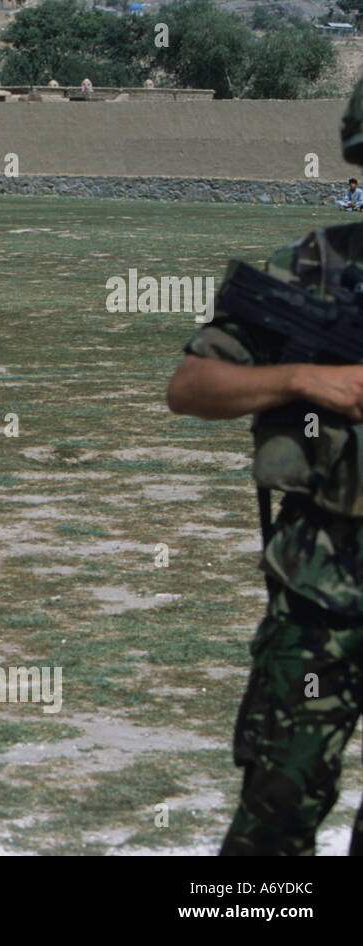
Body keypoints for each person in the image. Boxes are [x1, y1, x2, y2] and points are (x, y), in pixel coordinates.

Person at [165, 81, 363, 855]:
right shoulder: (314, 268)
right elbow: (191, 387)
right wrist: (304, 379)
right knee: (276, 811)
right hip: (321, 593)